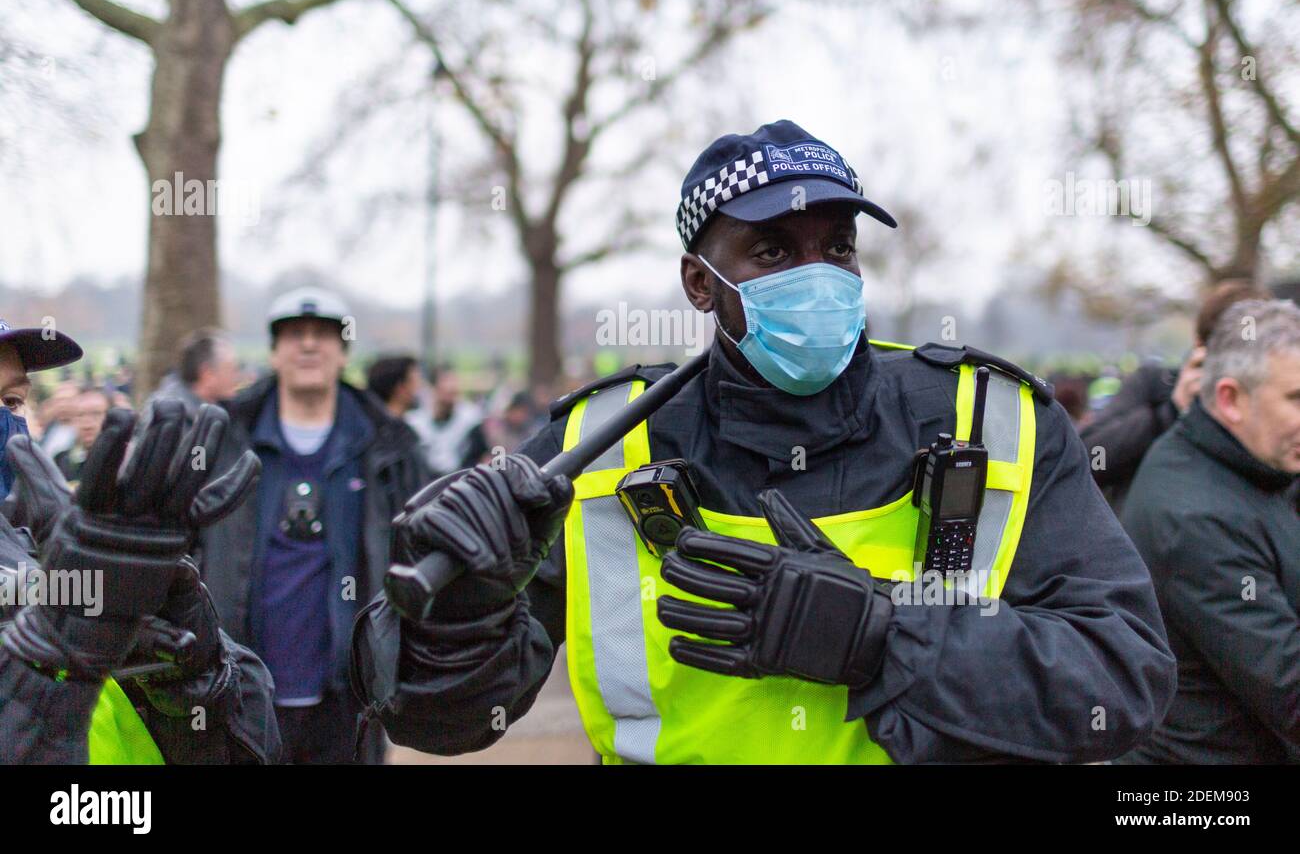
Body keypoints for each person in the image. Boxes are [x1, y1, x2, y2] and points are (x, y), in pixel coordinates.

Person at [352, 119, 1176, 764]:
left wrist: (885, 637)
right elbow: (440, 725)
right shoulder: (599, 447)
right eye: (774, 250)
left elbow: (1124, 677)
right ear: (699, 283)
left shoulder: (995, 423)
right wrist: (463, 617)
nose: (817, 275)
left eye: (838, 247)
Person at [0, 318, 279, 763]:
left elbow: (248, 748)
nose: (7, 420)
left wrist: (189, 664)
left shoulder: (55, 547)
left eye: (12, 400)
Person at [196, 287, 428, 764]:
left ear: (344, 353)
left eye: (323, 335)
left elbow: (419, 556)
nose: (307, 345)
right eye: (294, 334)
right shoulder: (222, 438)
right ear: (274, 352)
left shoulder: (390, 447)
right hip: (239, 690)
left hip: (350, 700)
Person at [1118, 299, 1300, 763]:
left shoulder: (1251, 462)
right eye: (1296, 399)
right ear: (1230, 399)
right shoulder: (1194, 517)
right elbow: (1290, 690)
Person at [1082, 279, 1270, 514]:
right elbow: (1091, 458)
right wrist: (1172, 409)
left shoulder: (1275, 403)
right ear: (1201, 346)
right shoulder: (1155, 385)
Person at [153, 327, 241, 415]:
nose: (237, 377)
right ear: (208, 374)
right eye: (230, 369)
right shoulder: (169, 418)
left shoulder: (219, 408)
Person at [421, 367, 490, 475]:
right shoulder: (416, 421)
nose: (450, 397)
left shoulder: (470, 419)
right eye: (446, 391)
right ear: (434, 389)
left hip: (461, 481)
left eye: (454, 393)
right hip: (426, 485)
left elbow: (483, 455)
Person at [53, 385, 111, 485]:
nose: (87, 424)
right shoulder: (62, 461)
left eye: (96, 414)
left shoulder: (124, 461)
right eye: (80, 415)